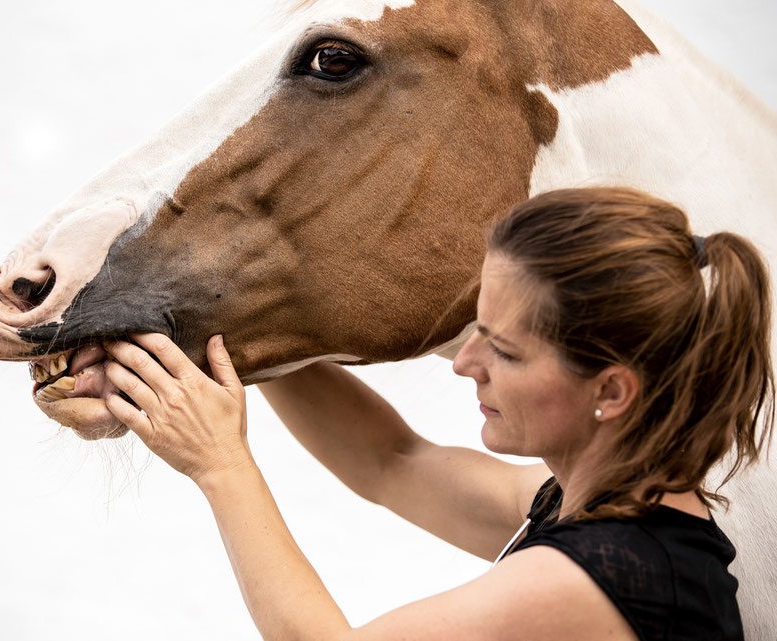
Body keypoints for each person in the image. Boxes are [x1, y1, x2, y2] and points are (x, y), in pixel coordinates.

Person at [100, 187, 773, 640]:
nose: (465, 362)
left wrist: (221, 465)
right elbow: (391, 460)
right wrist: (239, 326)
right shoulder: (608, 509)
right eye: (478, 330)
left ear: (613, 391)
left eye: (504, 350)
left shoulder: (586, 580)